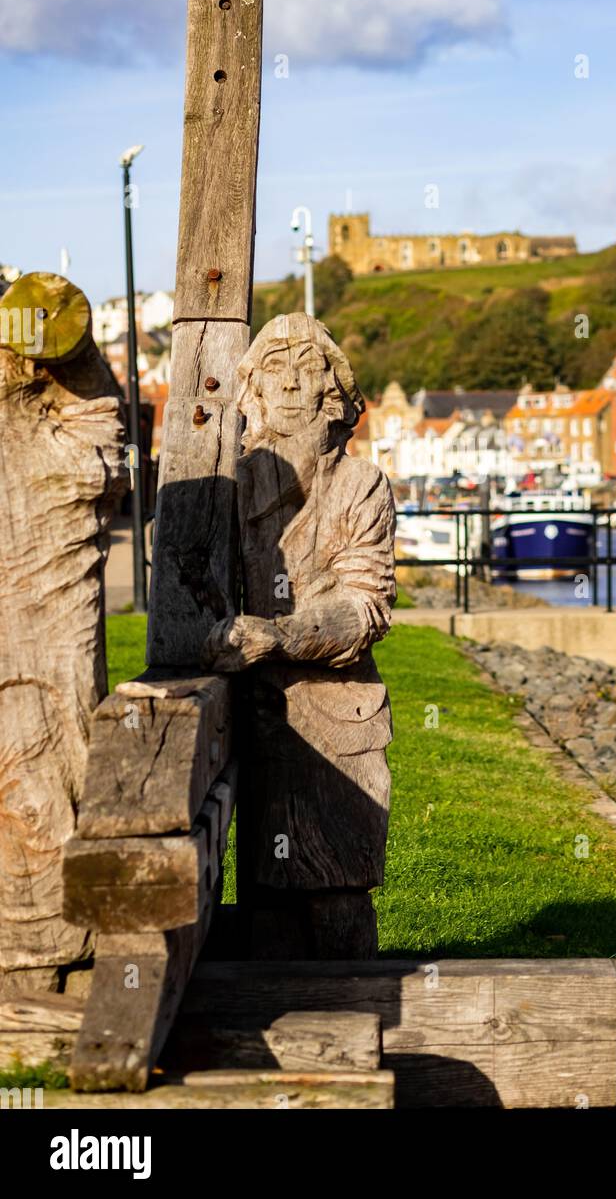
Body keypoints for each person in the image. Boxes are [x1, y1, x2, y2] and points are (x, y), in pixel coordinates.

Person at [203, 313, 396, 957]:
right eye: (275, 368)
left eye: (307, 368)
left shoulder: (359, 486)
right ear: (252, 389)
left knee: (337, 900)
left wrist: (283, 635)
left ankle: (357, 1021)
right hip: (246, 723)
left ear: (333, 393)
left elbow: (366, 605)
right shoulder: (227, 488)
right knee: (264, 906)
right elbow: (198, 585)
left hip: (338, 723)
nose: (290, 383)